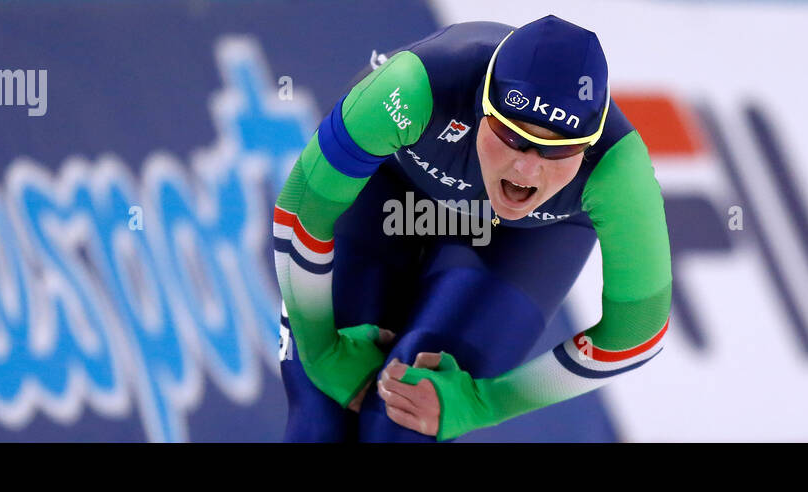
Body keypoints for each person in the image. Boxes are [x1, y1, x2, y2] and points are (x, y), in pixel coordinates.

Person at [273, 14, 671, 442]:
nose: (526, 168)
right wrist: (318, 352)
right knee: (320, 420)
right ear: (482, 104)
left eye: (559, 150)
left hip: (525, 236)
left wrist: (486, 403)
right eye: (511, 134)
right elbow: (301, 212)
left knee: (406, 416)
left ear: (589, 146)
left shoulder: (618, 169)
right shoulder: (414, 86)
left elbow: (637, 334)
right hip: (389, 185)